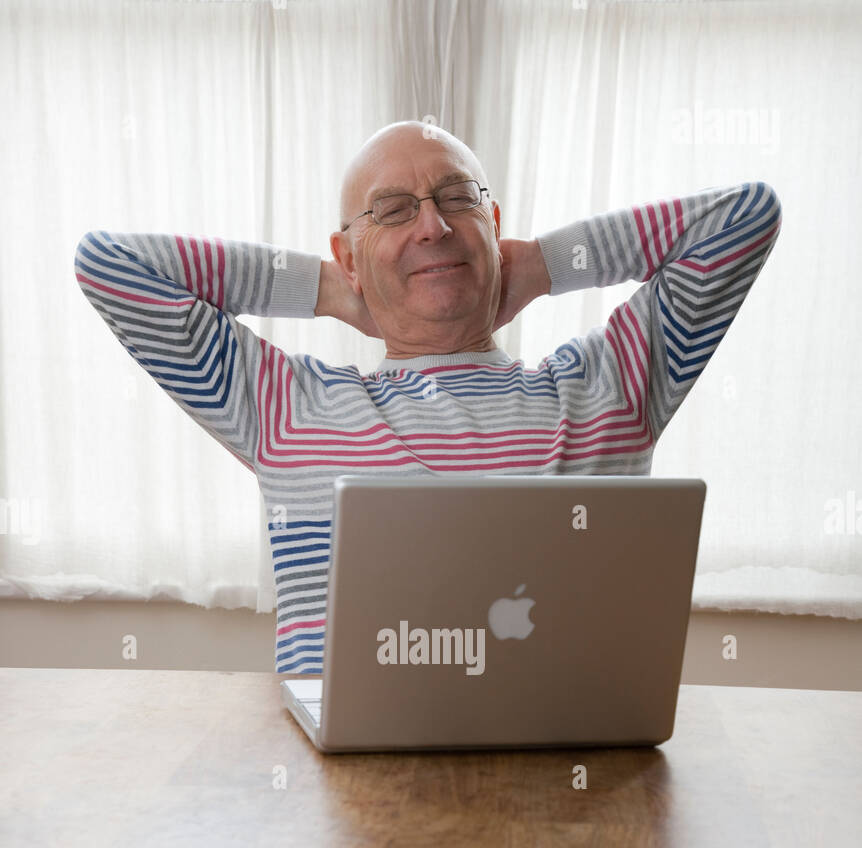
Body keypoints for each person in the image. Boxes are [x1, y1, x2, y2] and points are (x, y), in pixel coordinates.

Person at [74, 120, 781, 675]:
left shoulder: (609, 387)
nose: (432, 226)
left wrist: (536, 267)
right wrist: (332, 291)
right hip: (354, 803)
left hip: (571, 782)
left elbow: (745, 217)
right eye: (392, 211)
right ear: (348, 253)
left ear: (493, 225)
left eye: (455, 198)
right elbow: (110, 265)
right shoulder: (285, 407)